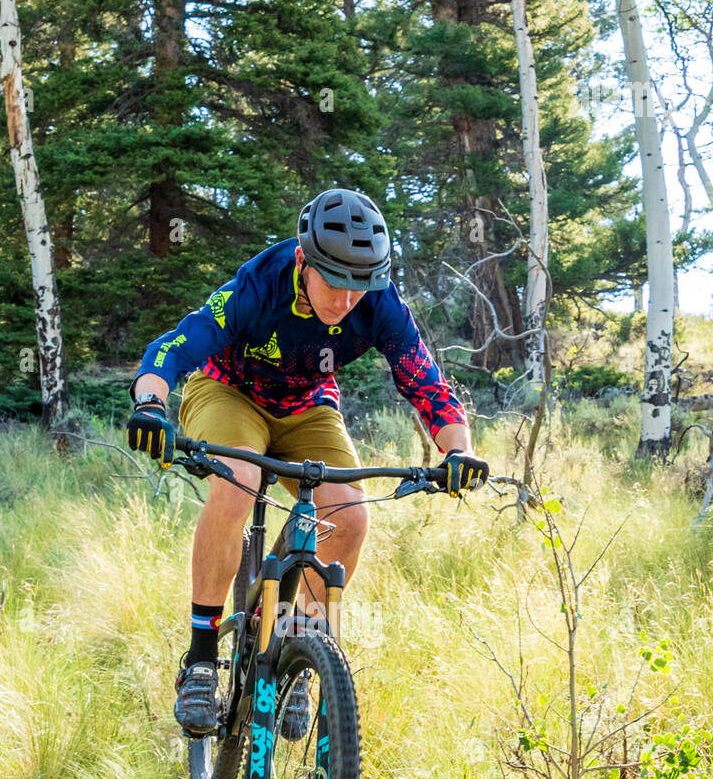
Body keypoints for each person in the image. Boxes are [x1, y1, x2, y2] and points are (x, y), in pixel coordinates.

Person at [127, 186, 489, 737]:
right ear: (304, 261)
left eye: (359, 287)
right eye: (336, 283)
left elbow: (425, 381)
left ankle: (302, 652)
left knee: (351, 514)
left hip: (306, 405)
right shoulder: (260, 282)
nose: (347, 300)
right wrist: (152, 404)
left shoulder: (381, 302)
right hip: (228, 392)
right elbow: (178, 344)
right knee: (240, 475)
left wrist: (457, 450)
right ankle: (201, 658)